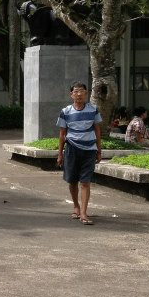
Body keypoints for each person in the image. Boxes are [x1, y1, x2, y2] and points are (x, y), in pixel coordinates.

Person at [56, 82, 103, 225]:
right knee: (72, 181)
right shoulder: (66, 112)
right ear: (71, 95)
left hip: (89, 150)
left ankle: (83, 212)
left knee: (85, 182)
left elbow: (97, 131)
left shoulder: (93, 110)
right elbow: (62, 134)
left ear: (86, 93)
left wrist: (99, 150)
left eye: (82, 91)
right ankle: (76, 206)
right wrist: (60, 154)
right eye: (76, 91)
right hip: (71, 149)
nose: (79, 94)